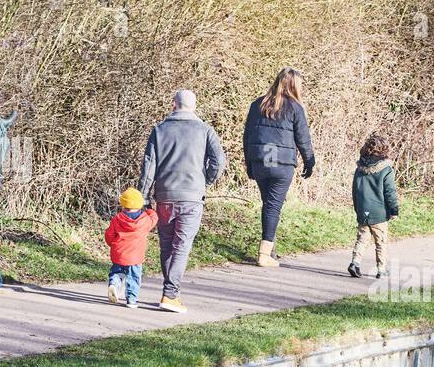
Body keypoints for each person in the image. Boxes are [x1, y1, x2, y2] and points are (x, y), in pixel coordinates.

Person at [139, 89, 226, 313]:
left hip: (165, 196)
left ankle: (170, 293)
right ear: (194, 106)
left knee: (167, 245)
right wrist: (205, 180)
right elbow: (219, 161)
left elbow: (149, 166)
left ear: (173, 104)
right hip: (191, 197)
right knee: (181, 246)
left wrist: (144, 196)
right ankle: (170, 294)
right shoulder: (206, 130)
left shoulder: (159, 131)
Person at [242, 67, 315, 267]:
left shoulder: (257, 104)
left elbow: (247, 136)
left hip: (261, 160)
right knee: (273, 206)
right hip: (280, 163)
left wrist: (250, 163)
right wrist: (309, 161)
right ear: (294, 86)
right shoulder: (294, 108)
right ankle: (264, 254)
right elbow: (303, 139)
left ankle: (270, 249)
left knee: (269, 204)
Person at [347, 132, 399, 279]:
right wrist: (394, 210)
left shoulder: (359, 168)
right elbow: (390, 192)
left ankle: (355, 263)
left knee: (362, 238)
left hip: (363, 210)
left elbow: (355, 190)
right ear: (385, 150)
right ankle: (381, 269)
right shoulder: (386, 169)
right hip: (379, 212)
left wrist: (358, 208)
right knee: (381, 242)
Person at [103, 187, 158, 308]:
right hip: (135, 257)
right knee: (134, 277)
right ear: (140, 205)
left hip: (119, 253)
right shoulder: (145, 220)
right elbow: (154, 219)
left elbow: (109, 234)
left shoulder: (117, 219)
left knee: (117, 272)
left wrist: (111, 243)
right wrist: (150, 210)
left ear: (123, 204)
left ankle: (114, 284)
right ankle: (131, 299)